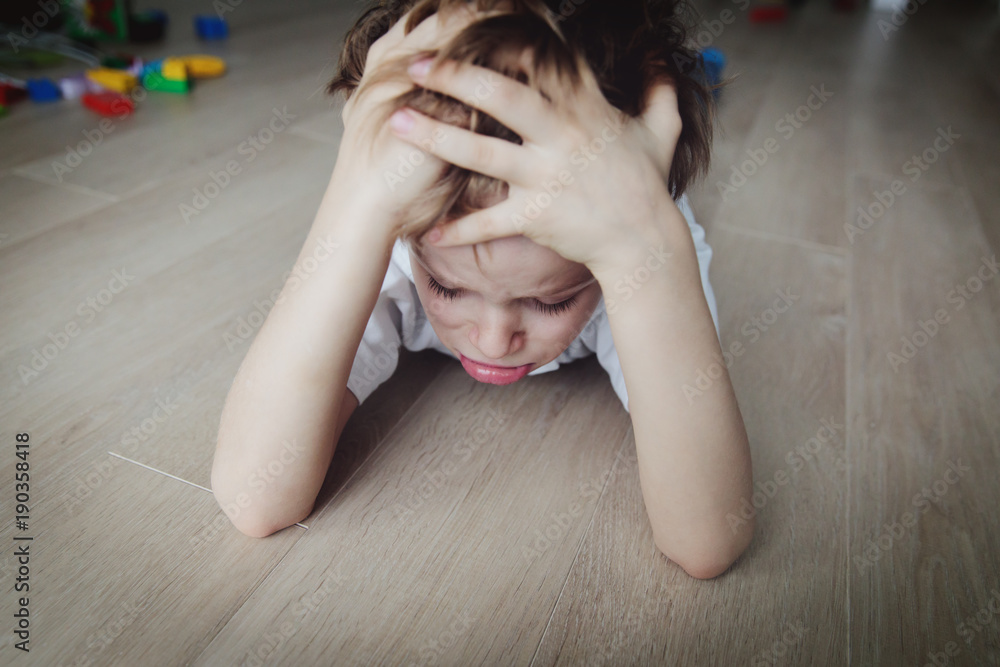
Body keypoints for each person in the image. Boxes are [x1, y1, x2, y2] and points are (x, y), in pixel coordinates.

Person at [211, 0, 754, 580]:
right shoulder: (399, 218)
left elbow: (708, 539)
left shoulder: (637, 235)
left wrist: (640, 248)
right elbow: (255, 498)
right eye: (447, 288)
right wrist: (355, 204)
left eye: (551, 300)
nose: (494, 342)